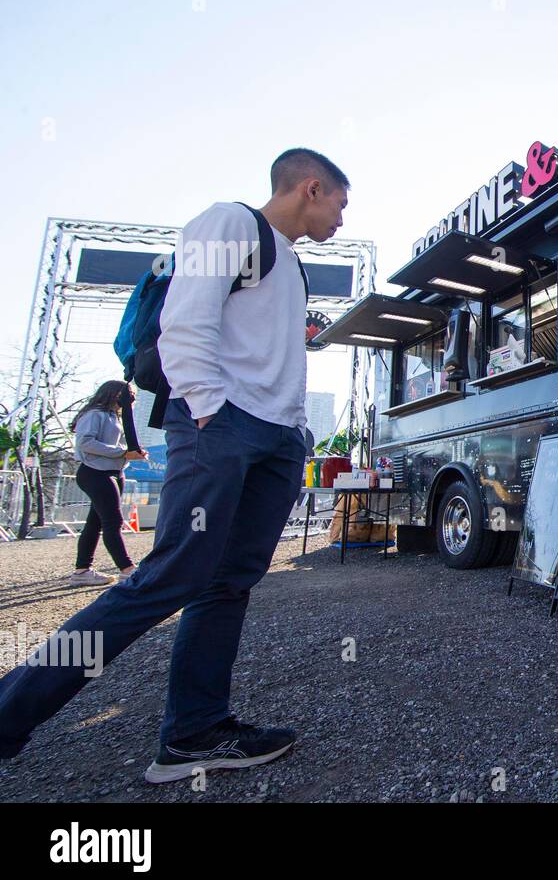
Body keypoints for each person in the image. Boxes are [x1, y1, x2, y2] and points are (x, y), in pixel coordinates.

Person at [0, 148, 348, 783]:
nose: (341, 221)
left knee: (227, 583)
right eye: (340, 206)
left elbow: (252, 342)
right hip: (223, 426)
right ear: (311, 187)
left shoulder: (290, 263)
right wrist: (211, 411)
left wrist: (291, 424)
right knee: (166, 579)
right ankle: (7, 714)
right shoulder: (230, 222)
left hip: (274, 436)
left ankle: (193, 733)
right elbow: (185, 321)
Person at [69, 380, 149, 586]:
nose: (131, 399)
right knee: (113, 521)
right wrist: (122, 452)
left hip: (113, 472)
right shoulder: (94, 414)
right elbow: (85, 443)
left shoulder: (116, 417)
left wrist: (132, 452)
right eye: (128, 394)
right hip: (95, 472)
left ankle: (82, 570)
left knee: (95, 523)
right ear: (115, 394)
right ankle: (127, 568)